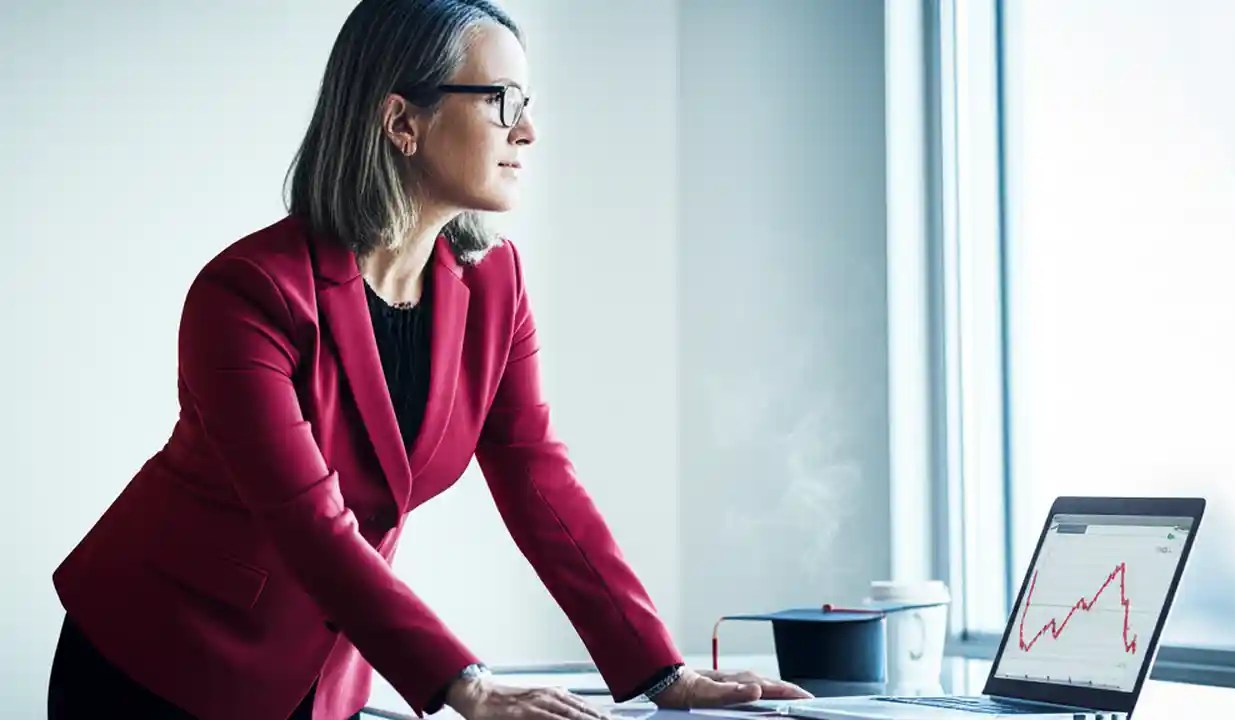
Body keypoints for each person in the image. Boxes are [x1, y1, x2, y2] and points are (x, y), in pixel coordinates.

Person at [46, 1, 813, 718]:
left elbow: (537, 478)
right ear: (402, 122)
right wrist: (465, 684)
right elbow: (309, 521)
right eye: (502, 101)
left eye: (529, 103)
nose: (528, 131)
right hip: (159, 659)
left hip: (325, 676)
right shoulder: (248, 293)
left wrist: (659, 670)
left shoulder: (495, 282)